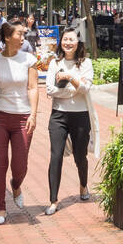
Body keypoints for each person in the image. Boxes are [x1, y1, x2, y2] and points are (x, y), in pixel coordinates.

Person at [0, 19, 38, 223]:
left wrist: (33, 114)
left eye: (24, 34)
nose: (23, 38)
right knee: (0, 163)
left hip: (23, 118)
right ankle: (0, 208)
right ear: (8, 37)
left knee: (20, 166)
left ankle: (15, 185)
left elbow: (33, 88)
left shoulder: (29, 59)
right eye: (20, 34)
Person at [43, 28, 96, 216]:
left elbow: (86, 89)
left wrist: (68, 78)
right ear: (61, 42)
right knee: (55, 156)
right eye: (65, 39)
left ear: (78, 42)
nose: (68, 43)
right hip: (58, 115)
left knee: (80, 156)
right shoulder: (54, 63)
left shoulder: (86, 63)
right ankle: (53, 200)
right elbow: (50, 90)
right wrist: (74, 88)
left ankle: (83, 185)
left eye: (71, 40)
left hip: (80, 115)